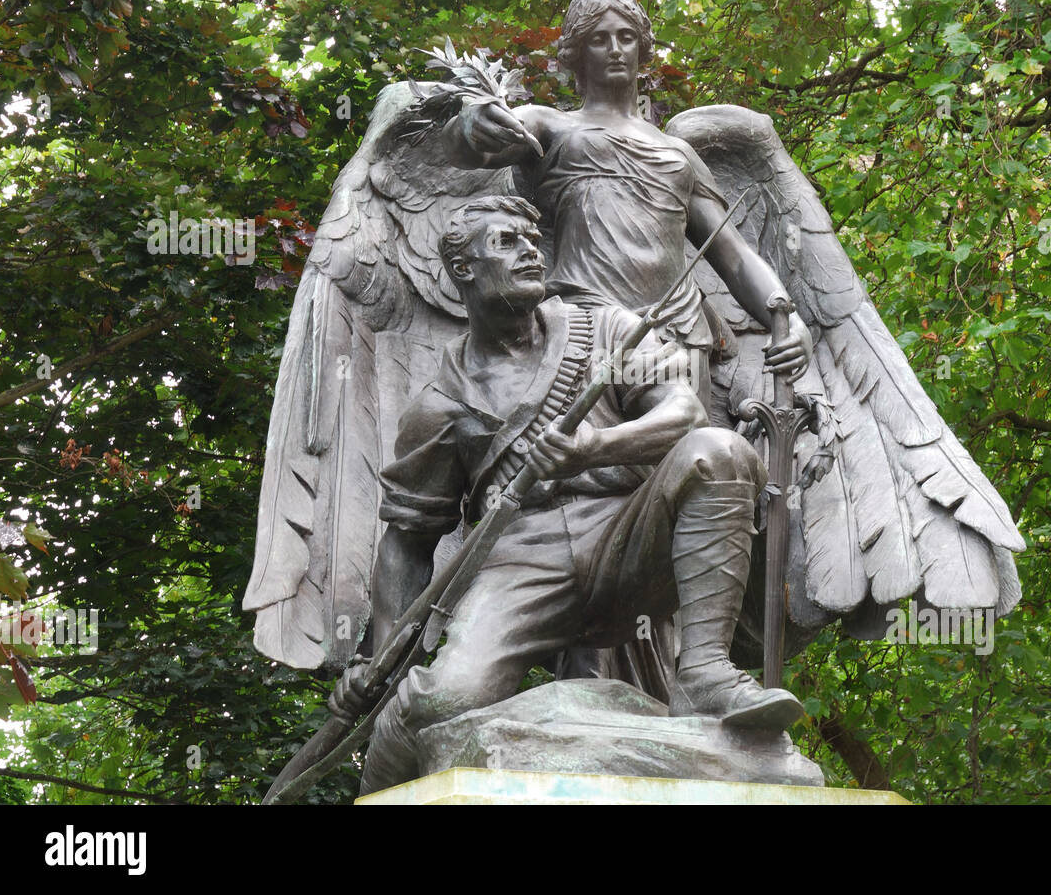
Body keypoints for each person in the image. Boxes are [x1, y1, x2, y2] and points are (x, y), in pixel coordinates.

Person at [333, 195, 803, 793]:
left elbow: (684, 411)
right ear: (463, 270)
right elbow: (407, 539)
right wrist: (376, 660)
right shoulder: (440, 405)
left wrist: (594, 448)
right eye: (506, 241)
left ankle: (707, 673)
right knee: (442, 699)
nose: (530, 249)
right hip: (520, 565)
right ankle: (385, 771)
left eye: (533, 239)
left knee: (722, 451)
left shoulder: (606, 328)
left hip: (626, 538)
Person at [441, 0, 813, 408]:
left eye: (626, 37)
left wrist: (789, 318)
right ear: (577, 52)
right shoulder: (551, 126)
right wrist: (470, 123)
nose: (615, 49)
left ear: (642, 47)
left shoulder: (679, 154)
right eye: (599, 39)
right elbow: (473, 146)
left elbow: (734, 256)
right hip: (587, 325)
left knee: (692, 454)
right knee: (574, 458)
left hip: (679, 331)